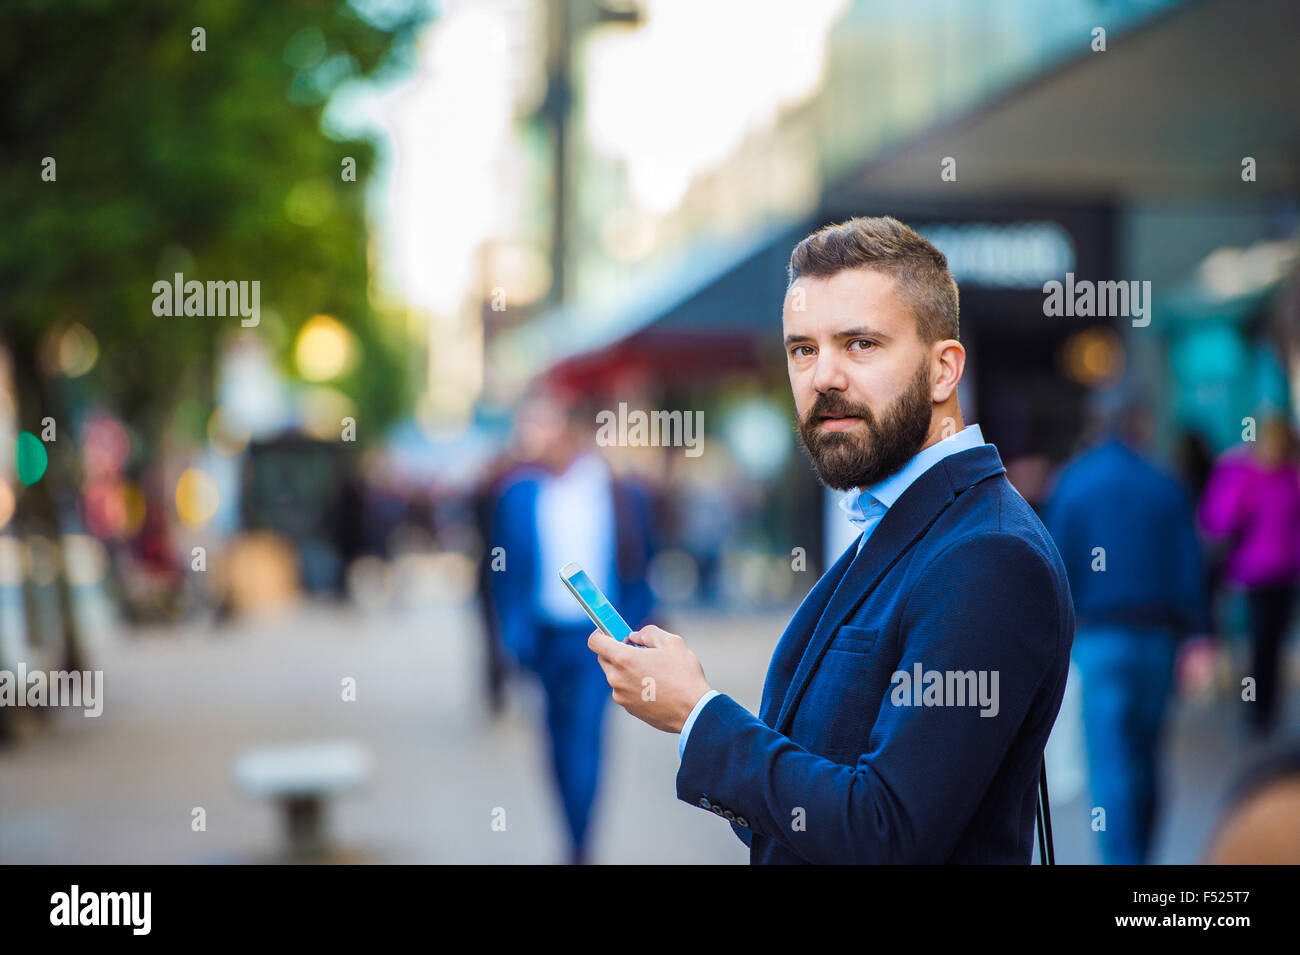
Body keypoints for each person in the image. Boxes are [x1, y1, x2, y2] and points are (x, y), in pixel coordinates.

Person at [588, 216, 1074, 863]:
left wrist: (696, 713)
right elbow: (805, 802)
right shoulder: (901, 523)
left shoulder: (988, 556)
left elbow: (886, 829)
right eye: (802, 349)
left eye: (861, 344)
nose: (823, 376)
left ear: (943, 370)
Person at [487, 388, 656, 864]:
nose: (531, 436)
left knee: (586, 738)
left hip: (599, 642)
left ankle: (581, 845)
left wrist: (637, 635)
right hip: (543, 638)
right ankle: (571, 831)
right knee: (554, 743)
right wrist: (511, 634)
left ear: (570, 430)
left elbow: (641, 565)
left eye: (541, 424)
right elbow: (502, 571)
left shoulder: (619, 491)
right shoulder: (517, 494)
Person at [1043, 383, 1209, 864]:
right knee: (1147, 755)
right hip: (1158, 641)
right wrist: (1198, 634)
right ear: (1138, 423)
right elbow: (1188, 566)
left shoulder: (1073, 483)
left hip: (1099, 640)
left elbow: (1055, 567)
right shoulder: (1165, 483)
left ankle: (1122, 860)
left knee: (1110, 758)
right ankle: (1140, 854)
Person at [1198, 409, 1300, 737]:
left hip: (1285, 575)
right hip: (1250, 577)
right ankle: (1253, 710)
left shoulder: (1292, 476)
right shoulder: (1242, 474)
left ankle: (1267, 710)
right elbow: (1217, 521)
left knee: (1273, 645)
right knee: (1252, 645)